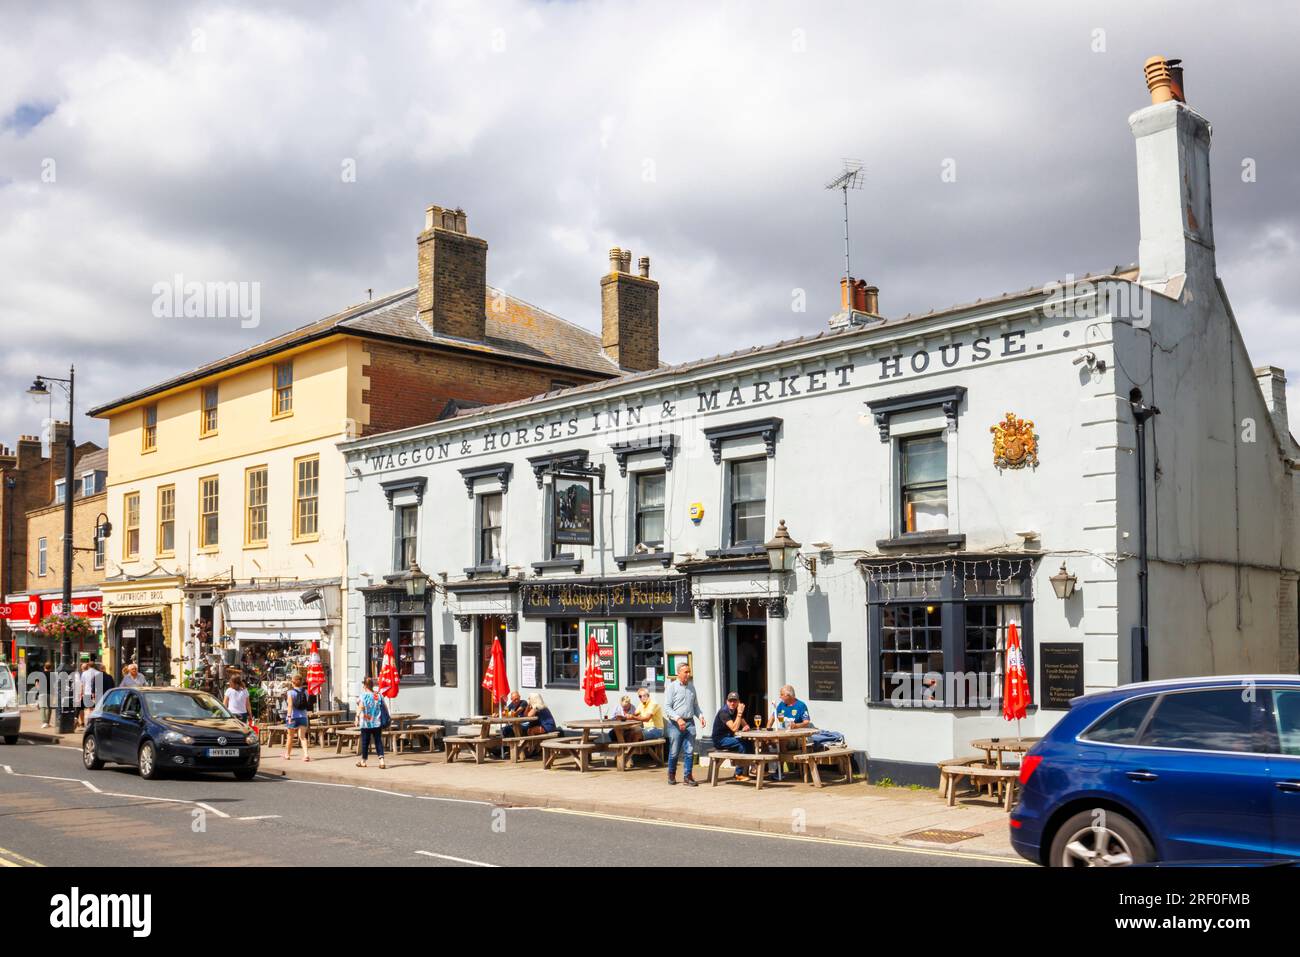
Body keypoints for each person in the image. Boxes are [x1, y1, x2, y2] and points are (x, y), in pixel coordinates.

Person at [664, 663, 706, 786]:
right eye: (686, 672)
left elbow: (695, 705)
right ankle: (671, 774)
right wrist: (678, 719)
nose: (688, 674)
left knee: (690, 751)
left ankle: (688, 776)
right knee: (674, 752)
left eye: (689, 672)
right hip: (675, 724)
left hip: (690, 723)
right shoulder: (672, 687)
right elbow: (667, 707)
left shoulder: (692, 687)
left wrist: (701, 716)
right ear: (679, 673)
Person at [711, 691, 754, 780]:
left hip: (729, 738)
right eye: (730, 701)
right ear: (727, 701)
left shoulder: (736, 711)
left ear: (738, 702)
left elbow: (745, 725)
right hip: (720, 740)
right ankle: (738, 774)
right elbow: (734, 728)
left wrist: (745, 727)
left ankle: (752, 768)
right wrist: (739, 713)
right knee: (742, 744)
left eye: (734, 701)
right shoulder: (724, 712)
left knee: (749, 742)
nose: (732, 703)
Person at [355, 676, 386, 769]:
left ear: (364, 685)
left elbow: (360, 707)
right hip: (377, 722)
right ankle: (381, 761)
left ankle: (363, 761)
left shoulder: (363, 696)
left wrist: (356, 717)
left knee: (365, 742)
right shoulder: (378, 695)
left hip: (366, 723)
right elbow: (382, 706)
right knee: (378, 741)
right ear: (372, 685)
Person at [283, 673, 311, 761]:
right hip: (303, 717)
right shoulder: (306, 692)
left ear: (293, 683)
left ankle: (287, 755)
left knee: (290, 737)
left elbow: (290, 705)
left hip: (293, 717)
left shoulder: (290, 692)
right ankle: (306, 755)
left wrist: (289, 716)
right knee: (302, 737)